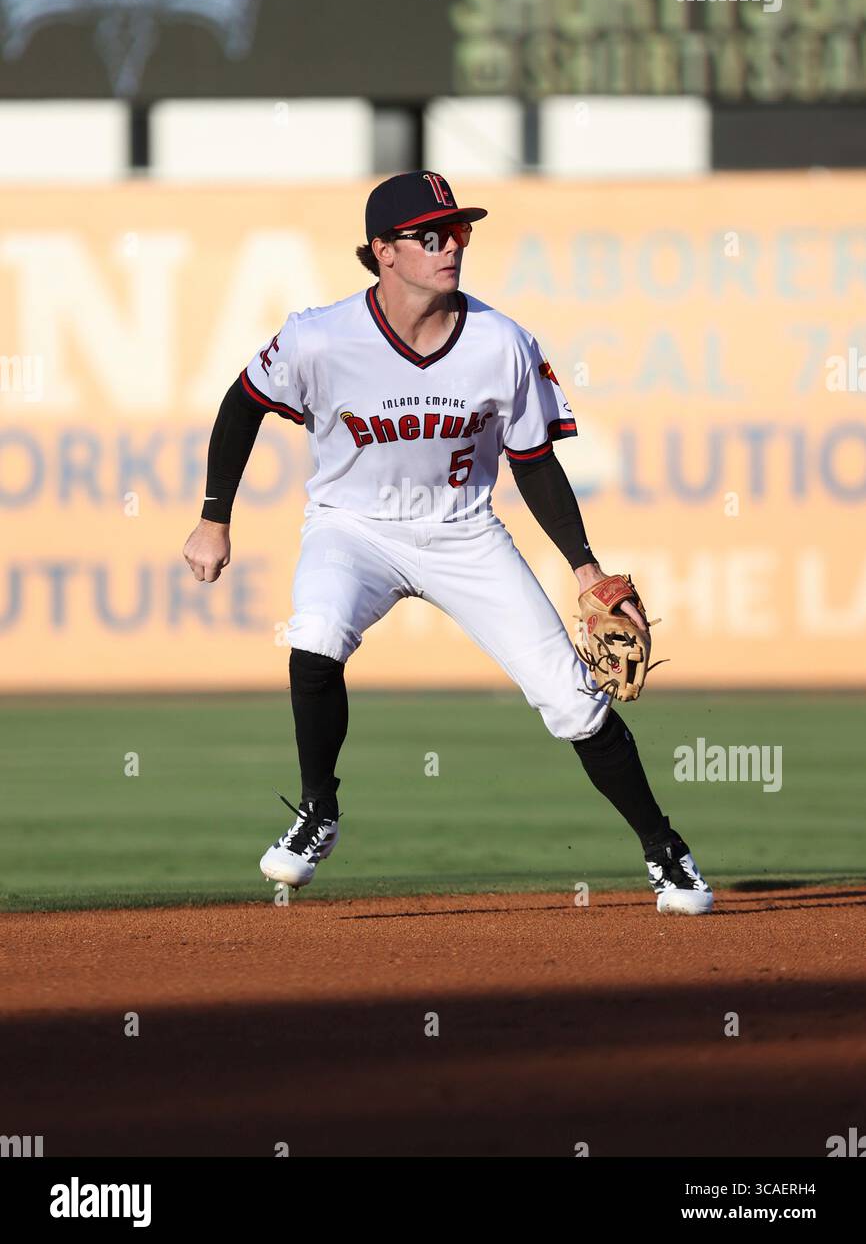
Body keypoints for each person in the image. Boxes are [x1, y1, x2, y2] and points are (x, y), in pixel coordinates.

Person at [182, 171, 713, 915]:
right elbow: (241, 404)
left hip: (464, 530)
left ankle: (667, 851)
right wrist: (214, 516)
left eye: (457, 232)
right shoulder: (319, 337)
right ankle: (318, 812)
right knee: (315, 634)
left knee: (572, 700)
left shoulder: (501, 342)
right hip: (353, 527)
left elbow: (532, 461)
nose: (449, 247)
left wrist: (584, 566)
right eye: (429, 235)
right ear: (383, 252)